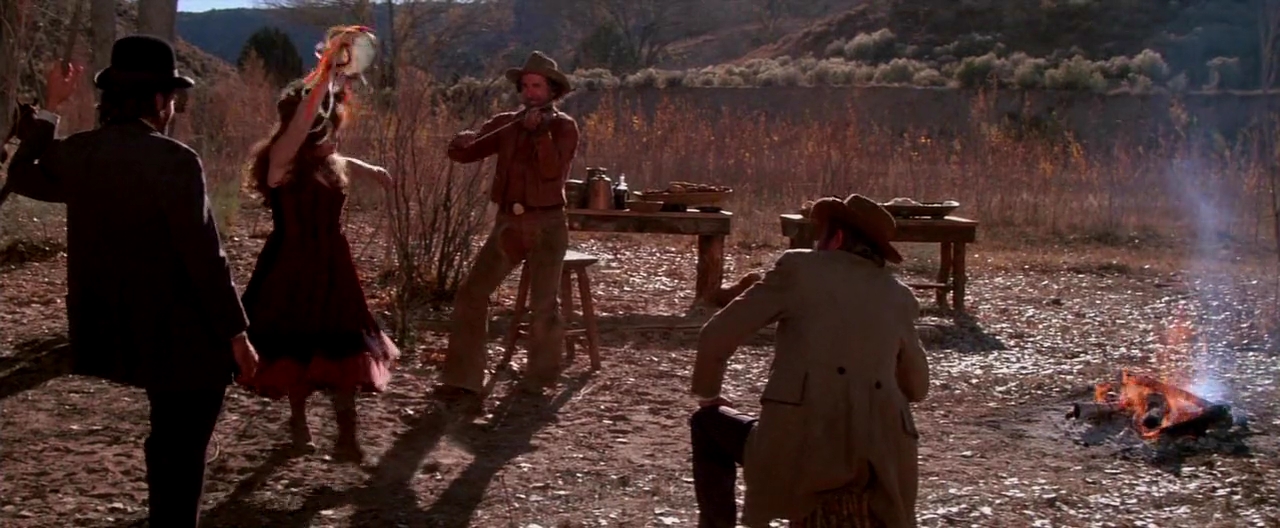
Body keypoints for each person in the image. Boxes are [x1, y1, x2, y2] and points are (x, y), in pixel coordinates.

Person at [4, 35, 259, 527]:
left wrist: (50, 110)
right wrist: (238, 334)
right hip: (183, 335)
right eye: (173, 99)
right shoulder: (176, 161)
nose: (174, 109)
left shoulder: (81, 154)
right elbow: (205, 256)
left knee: (168, 444)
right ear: (160, 101)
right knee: (181, 451)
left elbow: (22, 176)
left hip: (117, 329)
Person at [688, 194, 931, 528]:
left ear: (839, 237)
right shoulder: (900, 295)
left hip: (802, 451)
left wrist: (709, 393)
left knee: (706, 424)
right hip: (885, 462)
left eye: (822, 234)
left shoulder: (800, 268)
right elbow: (918, 388)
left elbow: (716, 336)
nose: (817, 242)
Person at [239, 43, 398, 463]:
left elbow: (337, 155)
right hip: (290, 267)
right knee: (295, 347)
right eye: (328, 126)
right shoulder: (280, 161)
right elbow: (299, 134)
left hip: (333, 265)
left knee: (343, 346)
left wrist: (369, 169)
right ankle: (299, 422)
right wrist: (324, 78)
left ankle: (347, 434)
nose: (335, 136)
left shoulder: (327, 159)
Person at [432, 51, 579, 410]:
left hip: (547, 224)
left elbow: (551, 172)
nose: (530, 92)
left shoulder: (563, 127)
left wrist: (540, 133)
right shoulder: (506, 123)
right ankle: (463, 380)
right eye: (526, 86)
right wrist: (460, 142)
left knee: (543, 304)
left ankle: (538, 382)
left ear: (552, 90)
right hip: (509, 224)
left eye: (538, 86)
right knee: (471, 294)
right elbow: (465, 155)